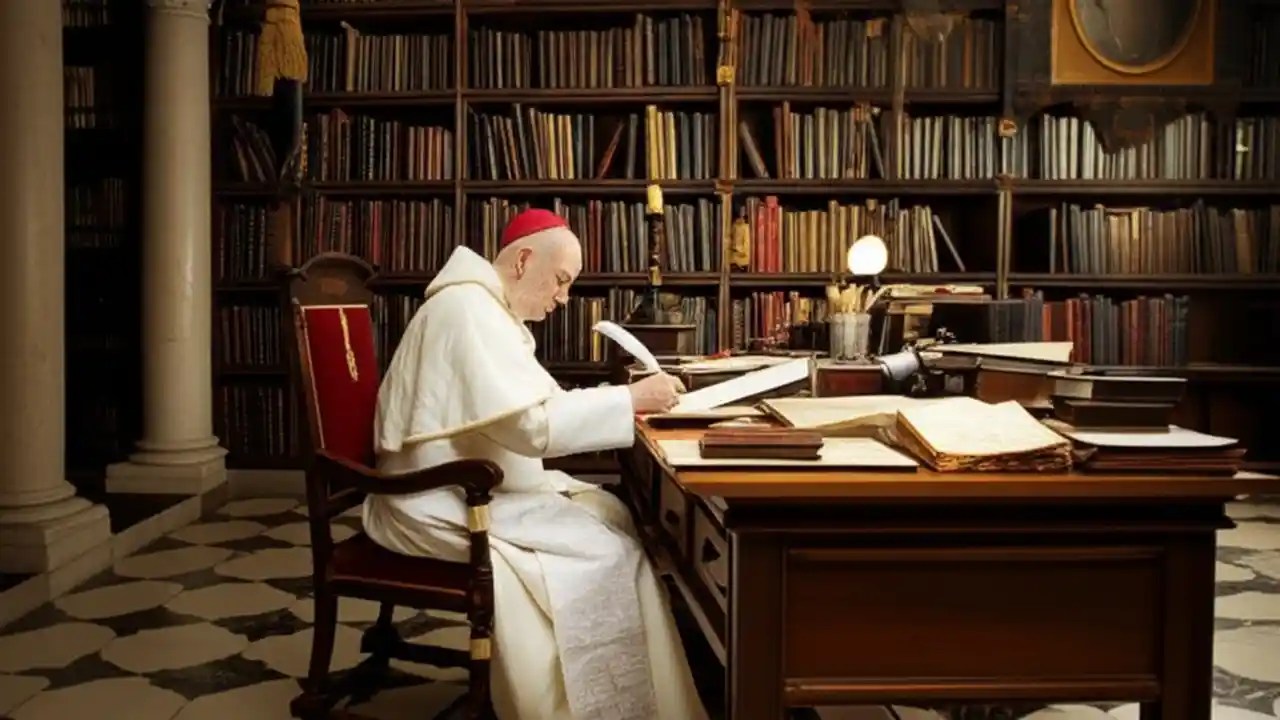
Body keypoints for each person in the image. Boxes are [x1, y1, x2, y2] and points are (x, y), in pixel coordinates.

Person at [365, 208, 709, 720]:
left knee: (609, 515)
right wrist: (629, 399)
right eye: (562, 281)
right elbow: (533, 428)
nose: (564, 298)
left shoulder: (487, 309)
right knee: (609, 553)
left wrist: (624, 397)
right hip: (430, 499)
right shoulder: (466, 310)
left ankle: (646, 700)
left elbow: (540, 403)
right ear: (525, 259)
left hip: (468, 487)